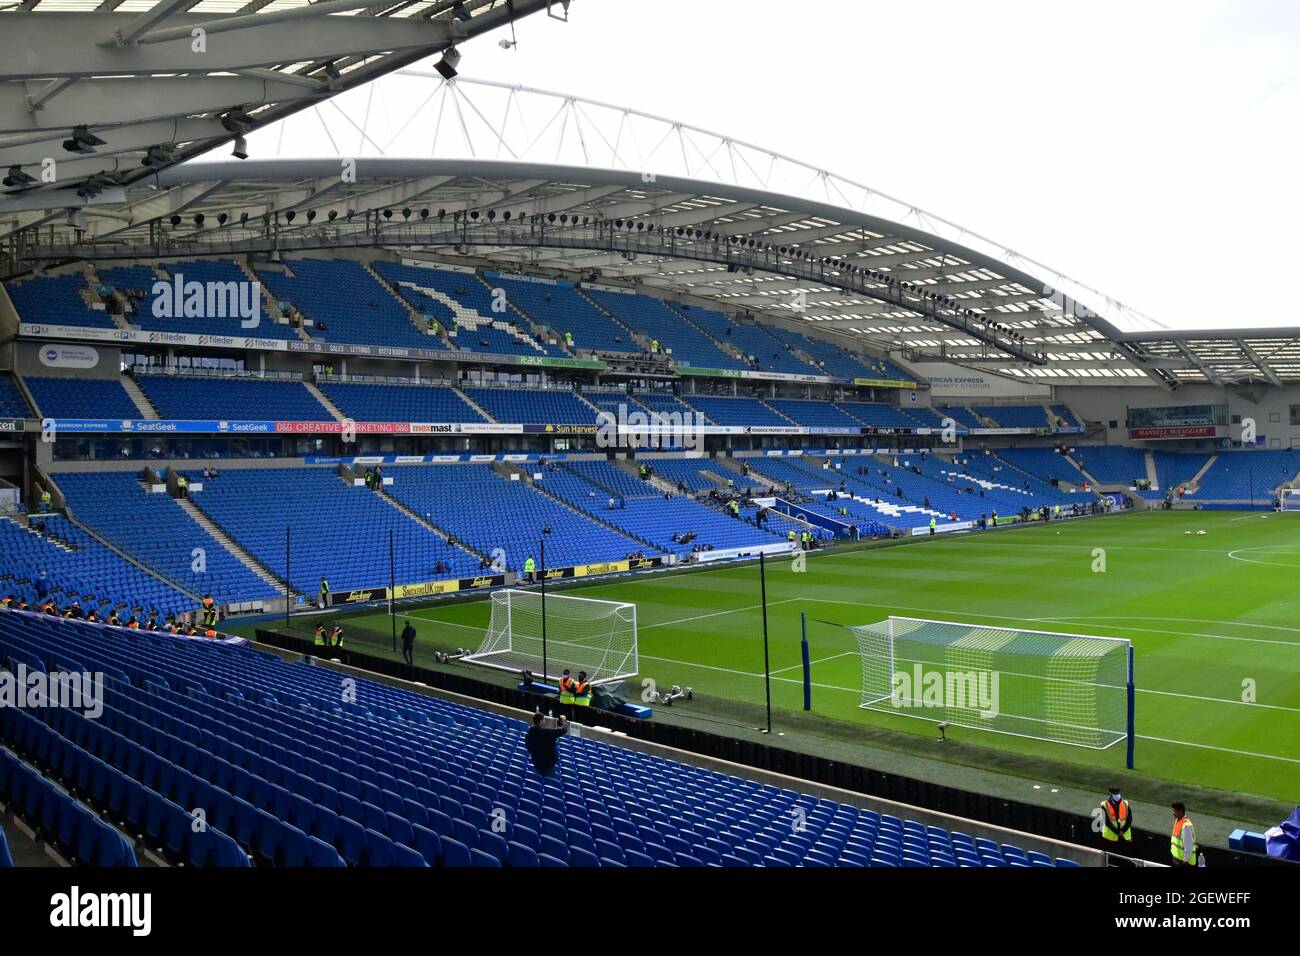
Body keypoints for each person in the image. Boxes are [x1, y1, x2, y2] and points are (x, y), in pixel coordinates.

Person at [525, 711, 569, 778]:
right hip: (548, 765)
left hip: (536, 762)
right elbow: (563, 730)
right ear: (541, 721)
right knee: (548, 783)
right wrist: (563, 720)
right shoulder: (546, 732)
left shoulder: (529, 733)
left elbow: (528, 746)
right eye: (544, 720)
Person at [1170, 801, 1199, 867]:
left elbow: (1189, 846)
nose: (1173, 813)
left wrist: (1184, 860)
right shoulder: (1178, 821)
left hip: (1184, 862)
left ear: (1180, 811)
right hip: (1177, 859)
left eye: (1174, 811)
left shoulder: (1186, 826)